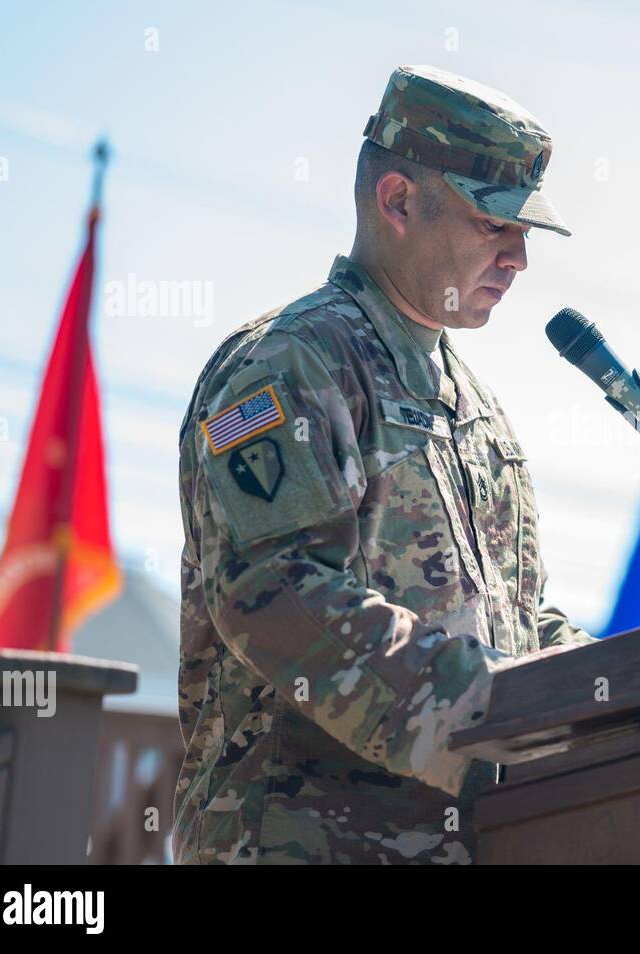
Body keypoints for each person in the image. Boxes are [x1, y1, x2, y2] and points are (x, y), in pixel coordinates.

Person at [173, 64, 595, 864]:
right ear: (397, 200)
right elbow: (277, 595)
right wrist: (489, 717)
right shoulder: (291, 365)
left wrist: (617, 684)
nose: (519, 258)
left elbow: (513, 615)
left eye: (526, 233)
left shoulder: (475, 404)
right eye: (493, 224)